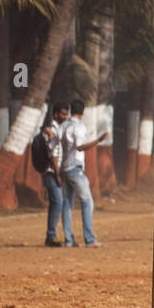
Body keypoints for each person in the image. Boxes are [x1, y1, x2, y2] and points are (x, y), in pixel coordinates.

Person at [60, 99, 108, 247]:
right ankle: (90, 239)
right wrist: (98, 140)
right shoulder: (78, 127)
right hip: (75, 168)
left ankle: (69, 240)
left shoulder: (64, 125)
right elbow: (80, 147)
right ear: (82, 111)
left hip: (65, 167)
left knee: (67, 203)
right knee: (87, 202)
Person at [35, 103, 69, 246]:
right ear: (55, 114)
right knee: (58, 202)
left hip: (53, 171)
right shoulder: (51, 130)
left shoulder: (58, 129)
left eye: (66, 114)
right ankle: (51, 236)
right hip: (51, 172)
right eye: (62, 114)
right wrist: (58, 174)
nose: (65, 117)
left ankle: (51, 235)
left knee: (55, 203)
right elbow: (53, 154)